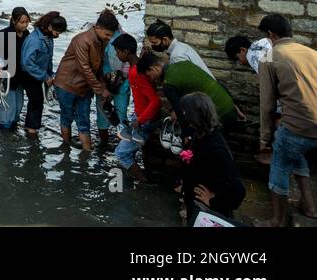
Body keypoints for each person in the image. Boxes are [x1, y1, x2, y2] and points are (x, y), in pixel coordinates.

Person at [257, 13, 317, 226]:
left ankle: (277, 221)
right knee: (294, 150)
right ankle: (308, 207)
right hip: (311, 128)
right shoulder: (311, 53)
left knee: (279, 165)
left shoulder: (269, 57)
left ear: (270, 35)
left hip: (298, 126)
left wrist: (265, 139)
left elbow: (267, 105)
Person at [177, 92, 246, 225]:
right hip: (195, 203)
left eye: (185, 112)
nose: (183, 115)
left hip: (209, 212)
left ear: (194, 116)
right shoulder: (200, 135)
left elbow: (238, 191)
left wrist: (212, 200)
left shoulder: (216, 149)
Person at [53, 10, 118, 151]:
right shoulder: (82, 40)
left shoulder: (102, 41)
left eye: (110, 36)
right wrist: (100, 89)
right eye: (107, 35)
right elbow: (85, 68)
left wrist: (102, 86)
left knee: (84, 121)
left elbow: (98, 67)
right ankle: (66, 150)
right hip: (67, 85)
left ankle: (86, 154)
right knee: (67, 117)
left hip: (86, 87)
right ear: (97, 28)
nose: (108, 38)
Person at [114, 50, 164, 183]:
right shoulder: (136, 71)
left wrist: (139, 121)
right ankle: (136, 177)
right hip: (141, 116)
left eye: (117, 52)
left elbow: (155, 101)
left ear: (125, 52)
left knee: (121, 154)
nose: (116, 55)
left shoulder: (136, 73)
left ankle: (144, 183)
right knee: (128, 151)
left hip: (143, 119)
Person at [24, 14, 66, 140]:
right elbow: (27, 62)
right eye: (57, 31)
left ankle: (31, 127)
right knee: (36, 103)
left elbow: (48, 58)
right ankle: (32, 131)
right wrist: (44, 76)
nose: (58, 35)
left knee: (36, 103)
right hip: (31, 75)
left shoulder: (47, 37)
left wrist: (50, 74)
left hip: (40, 74)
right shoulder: (35, 40)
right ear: (49, 26)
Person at [0, 7, 32, 130]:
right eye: (22, 22)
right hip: (6, 75)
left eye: (27, 22)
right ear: (13, 21)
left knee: (19, 104)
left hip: (21, 76)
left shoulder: (27, 34)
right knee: (8, 105)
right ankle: (4, 128)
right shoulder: (3, 34)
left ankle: (13, 124)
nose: (25, 25)